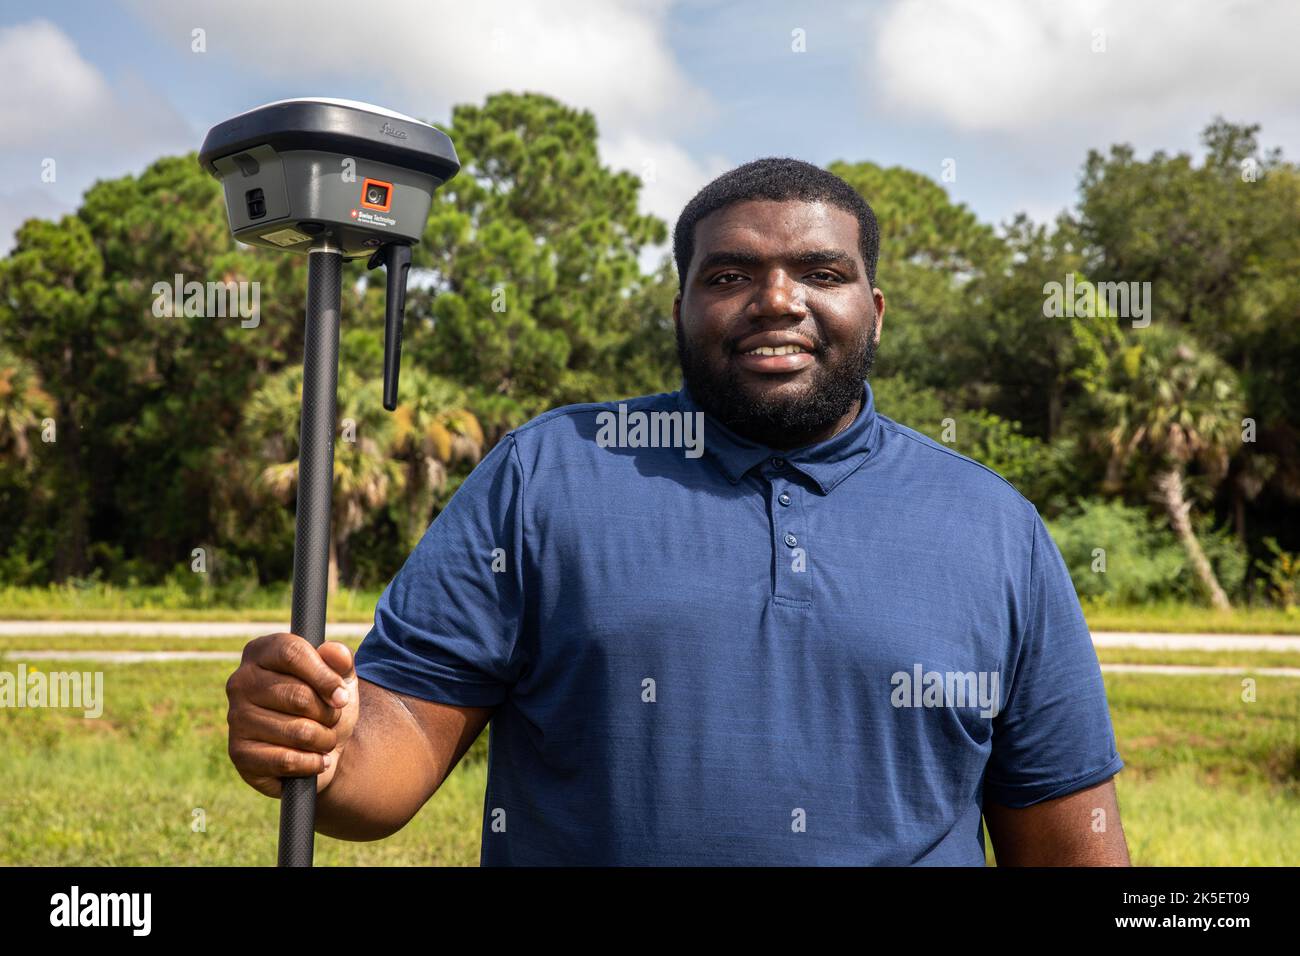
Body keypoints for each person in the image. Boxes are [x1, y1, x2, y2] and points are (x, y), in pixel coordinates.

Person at [226, 157, 1129, 865]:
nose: (778, 300)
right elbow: (402, 743)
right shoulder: (548, 474)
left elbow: (1068, 839)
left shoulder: (996, 527)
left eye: (820, 270)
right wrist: (323, 742)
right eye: (731, 274)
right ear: (680, 308)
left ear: (876, 310)